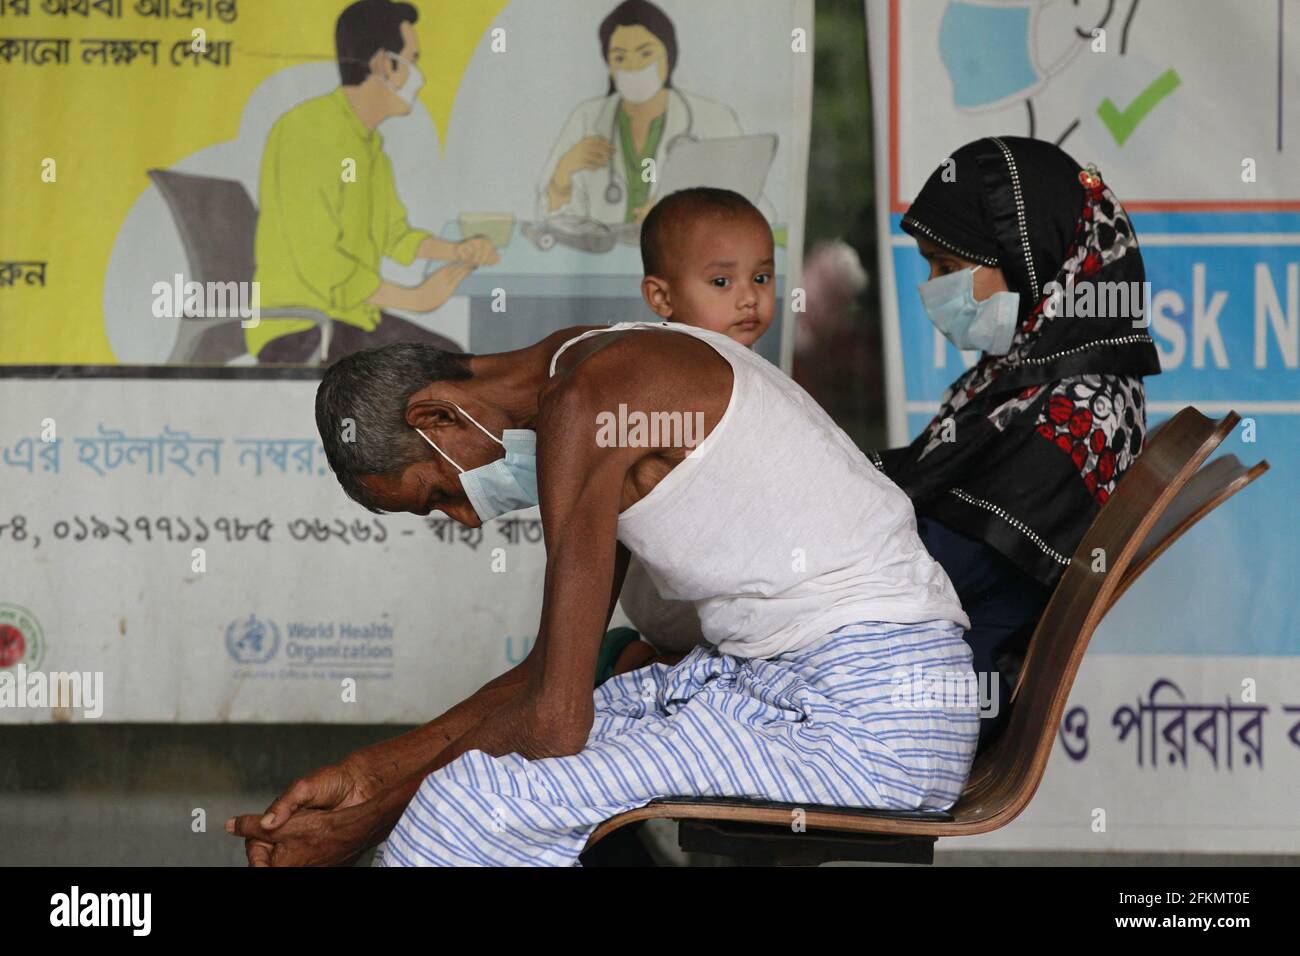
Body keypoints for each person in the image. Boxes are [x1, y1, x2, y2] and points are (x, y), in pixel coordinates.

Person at [225, 279, 979, 866]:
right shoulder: (588, 365)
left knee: (465, 813)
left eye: (439, 495)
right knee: (506, 772)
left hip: (874, 718)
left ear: (439, 418)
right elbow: (554, 674)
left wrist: (366, 820)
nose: (464, 519)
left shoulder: (588, 401)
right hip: (807, 687)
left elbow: (554, 723)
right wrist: (368, 776)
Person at [870, 135, 1162, 752]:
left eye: (949, 268)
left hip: (919, 709)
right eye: (928, 266)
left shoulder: (1075, 415)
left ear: (1031, 261)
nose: (933, 288)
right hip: (915, 677)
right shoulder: (1030, 382)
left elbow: (925, 571)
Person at [249, 0, 498, 364]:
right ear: (385, 64)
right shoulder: (308, 130)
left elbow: (393, 235)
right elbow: (319, 261)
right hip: (301, 327)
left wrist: (457, 251)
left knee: (454, 362)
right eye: (412, 59)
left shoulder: (370, 146)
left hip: (350, 318)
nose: (419, 75)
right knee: (438, 372)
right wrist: (411, 297)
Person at [537, 0, 774, 227]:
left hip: (684, 263)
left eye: (645, 54)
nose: (632, 67)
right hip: (603, 263)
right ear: (608, 66)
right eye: (619, 57)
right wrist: (562, 173)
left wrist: (684, 211)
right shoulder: (587, 118)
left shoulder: (712, 119)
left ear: (668, 57)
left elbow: (759, 213)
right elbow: (548, 221)